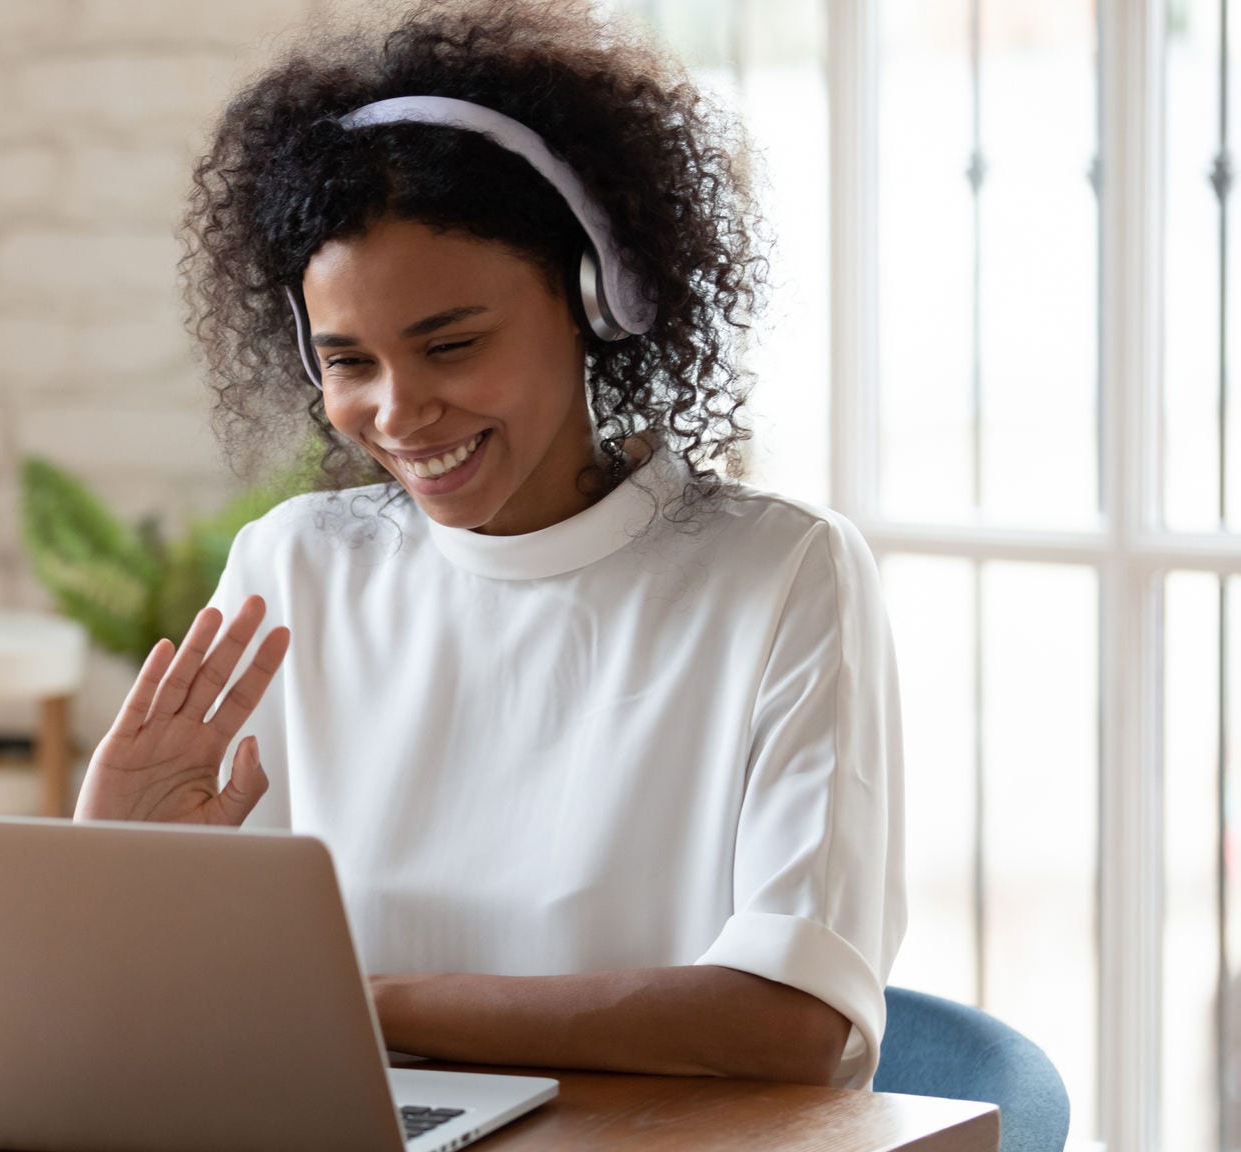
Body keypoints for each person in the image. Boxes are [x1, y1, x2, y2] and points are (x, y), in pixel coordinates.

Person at [72, 0, 903, 1091]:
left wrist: (370, 1010)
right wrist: (115, 871)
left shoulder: (778, 577)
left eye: (451, 344)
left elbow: (789, 1021)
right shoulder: (295, 570)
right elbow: (180, 1010)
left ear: (597, 301)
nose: (399, 411)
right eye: (348, 362)